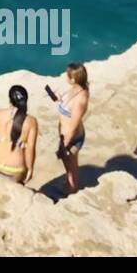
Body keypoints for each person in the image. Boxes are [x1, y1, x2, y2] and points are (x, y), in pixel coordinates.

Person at [0, 84, 37, 184]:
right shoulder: (31, 122)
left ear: (10, 100)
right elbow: (30, 149)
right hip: (14, 169)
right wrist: (30, 169)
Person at [51, 63, 90, 194]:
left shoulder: (80, 99)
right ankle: (69, 184)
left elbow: (73, 127)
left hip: (71, 139)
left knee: (71, 169)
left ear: (73, 79)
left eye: (67, 75)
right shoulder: (75, 88)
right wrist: (60, 100)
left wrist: (63, 146)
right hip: (65, 136)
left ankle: (71, 191)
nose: (65, 76)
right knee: (69, 166)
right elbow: (68, 107)